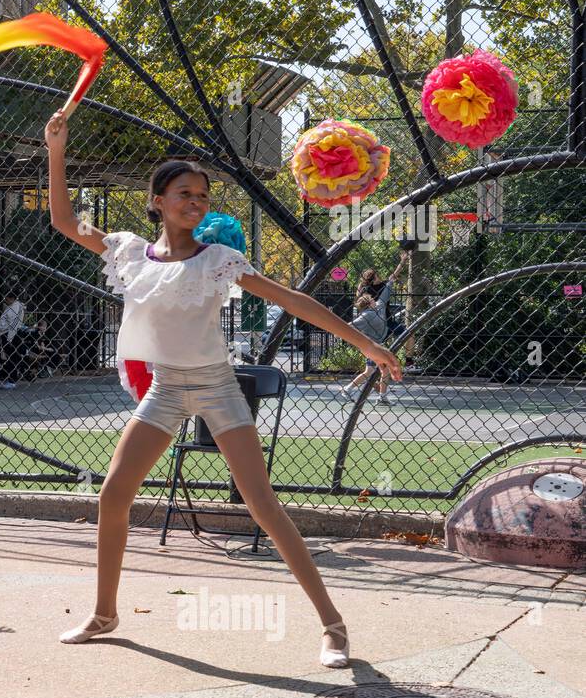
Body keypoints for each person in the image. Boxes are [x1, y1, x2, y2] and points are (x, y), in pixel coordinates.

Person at [45, 109, 404, 667]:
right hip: (164, 390)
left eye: (202, 196)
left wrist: (367, 344)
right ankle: (104, 612)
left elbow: (294, 300)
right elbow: (66, 222)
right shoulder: (131, 252)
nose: (196, 202)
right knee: (113, 495)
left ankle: (333, 625)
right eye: (184, 193)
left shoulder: (218, 260)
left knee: (263, 505)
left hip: (216, 387)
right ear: (157, 201)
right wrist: (56, 150)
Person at [343, 250, 408, 405]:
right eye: (371, 298)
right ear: (369, 303)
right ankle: (350, 389)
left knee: (381, 371)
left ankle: (380, 396)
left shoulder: (379, 305)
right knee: (373, 371)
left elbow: (391, 280)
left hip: (378, 344)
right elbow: (349, 326)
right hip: (371, 347)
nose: (374, 298)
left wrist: (402, 261)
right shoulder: (365, 317)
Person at [0, 292, 26, 389]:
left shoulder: (15, 307)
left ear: (12, 298)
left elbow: (14, 324)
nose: (5, 300)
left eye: (7, 299)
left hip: (10, 334)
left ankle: (12, 381)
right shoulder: (13, 306)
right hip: (8, 334)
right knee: (11, 358)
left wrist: (10, 338)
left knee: (12, 358)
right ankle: (11, 379)